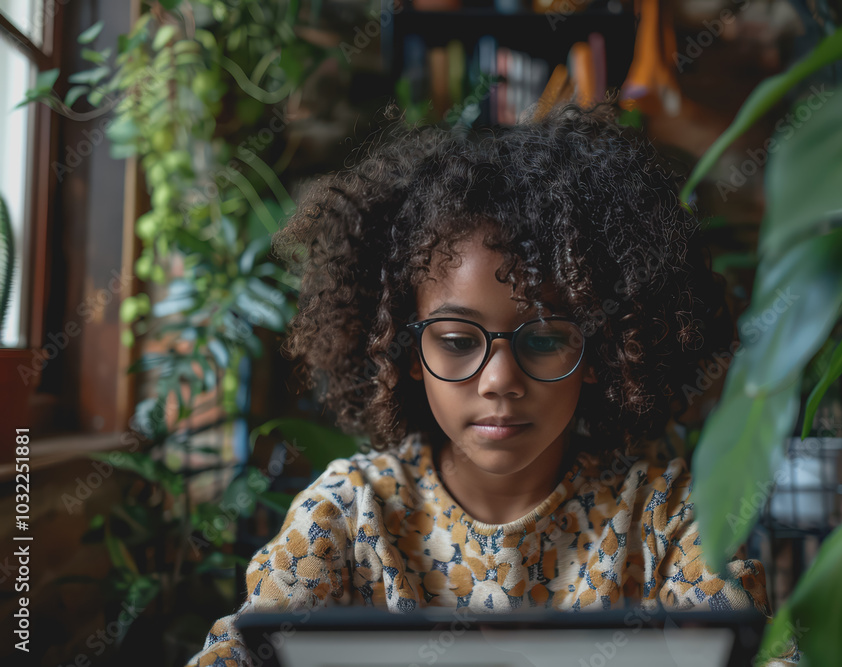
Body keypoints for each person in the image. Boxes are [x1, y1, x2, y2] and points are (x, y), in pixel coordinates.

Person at [184, 97, 799, 666]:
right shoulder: (347, 516)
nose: (500, 379)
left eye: (546, 337)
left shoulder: (667, 518)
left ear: (609, 348)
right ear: (400, 348)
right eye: (456, 341)